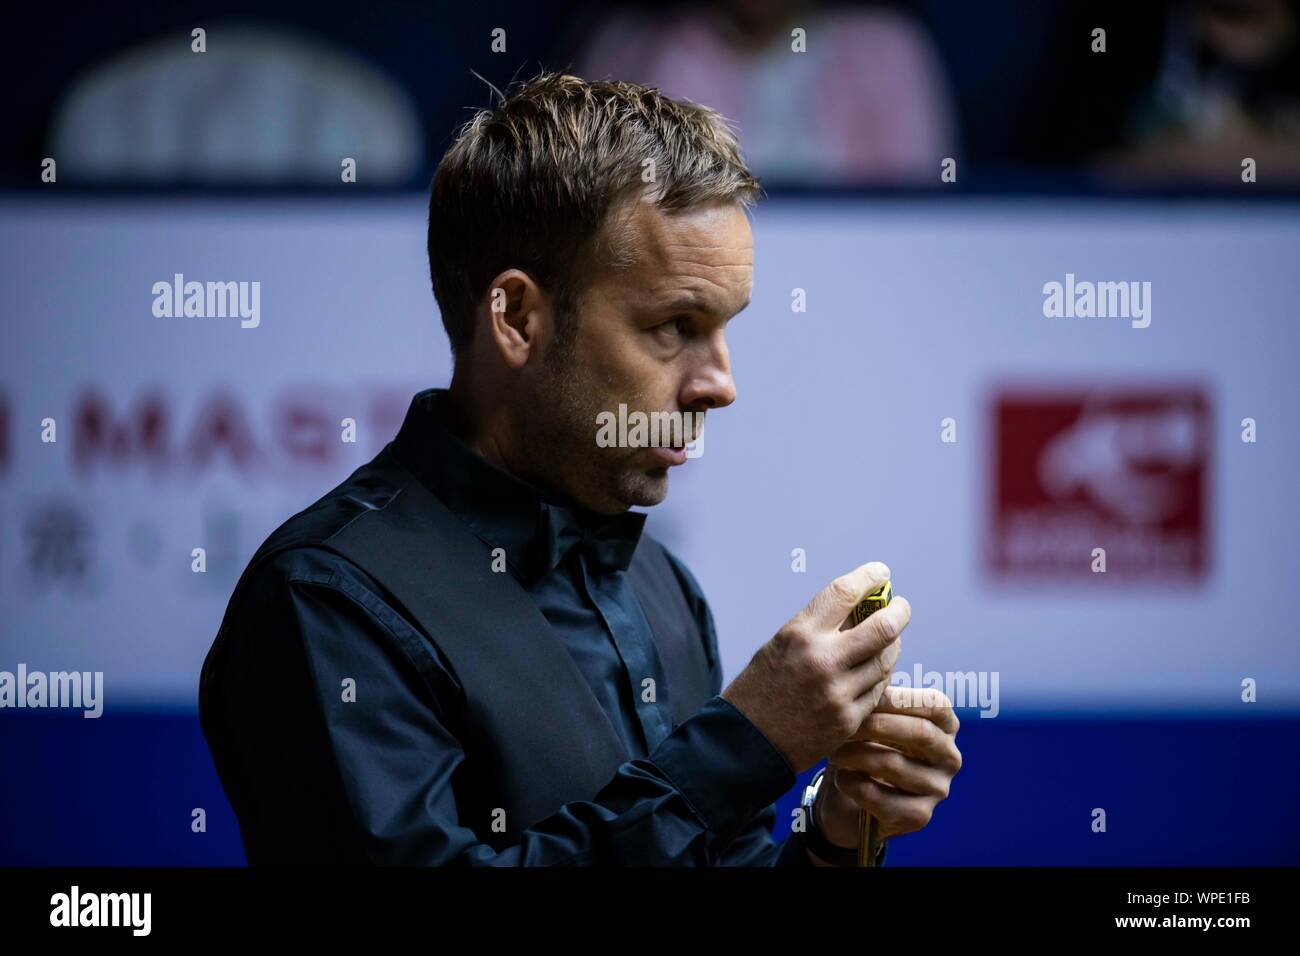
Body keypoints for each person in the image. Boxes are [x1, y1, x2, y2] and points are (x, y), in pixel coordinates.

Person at [198, 72, 962, 866]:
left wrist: (831, 838)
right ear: (519, 318)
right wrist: (743, 744)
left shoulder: (661, 588)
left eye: (725, 328)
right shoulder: (324, 600)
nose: (721, 385)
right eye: (675, 325)